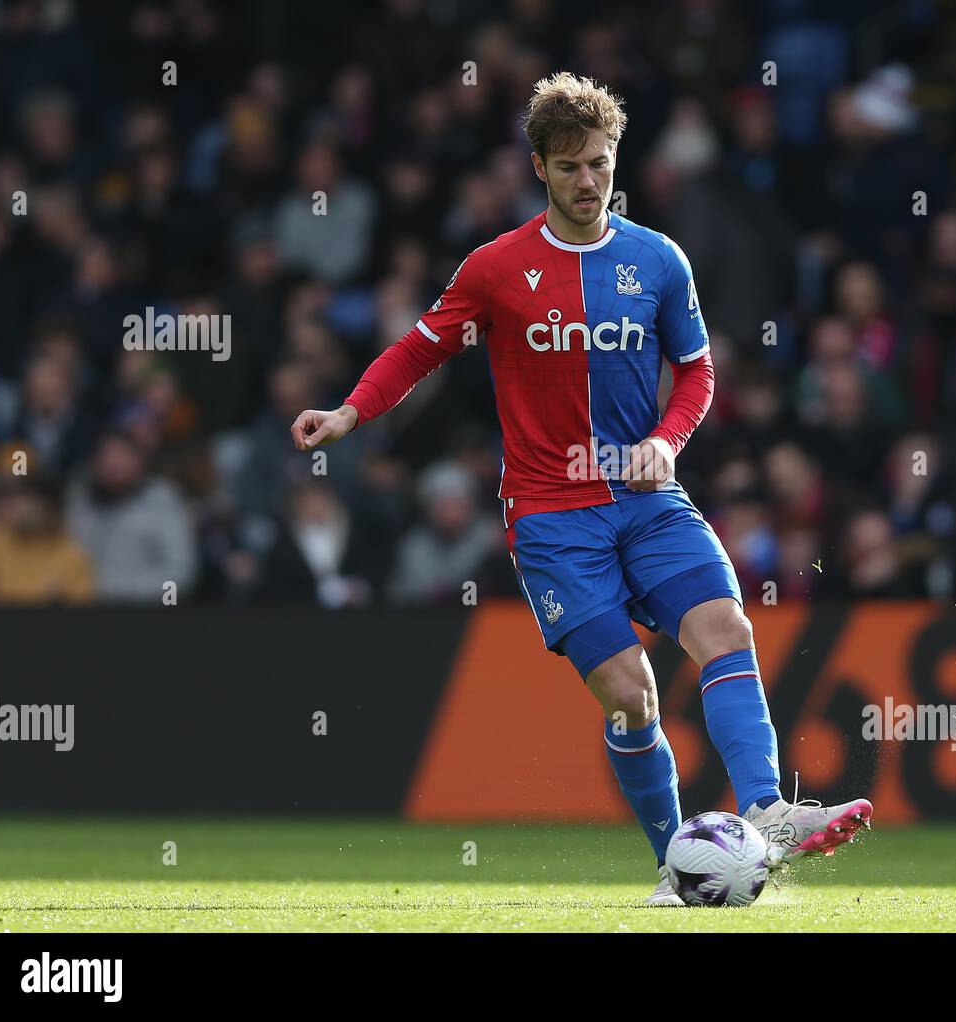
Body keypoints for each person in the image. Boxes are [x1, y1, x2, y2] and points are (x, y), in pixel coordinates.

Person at [290, 72, 871, 906]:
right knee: (631, 693)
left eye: (599, 163)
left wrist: (666, 444)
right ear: (540, 168)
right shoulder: (495, 269)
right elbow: (419, 348)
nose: (588, 181)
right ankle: (677, 861)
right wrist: (351, 412)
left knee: (724, 625)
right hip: (553, 517)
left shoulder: (658, 260)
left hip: (647, 501)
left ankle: (768, 810)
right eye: (569, 167)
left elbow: (699, 371)